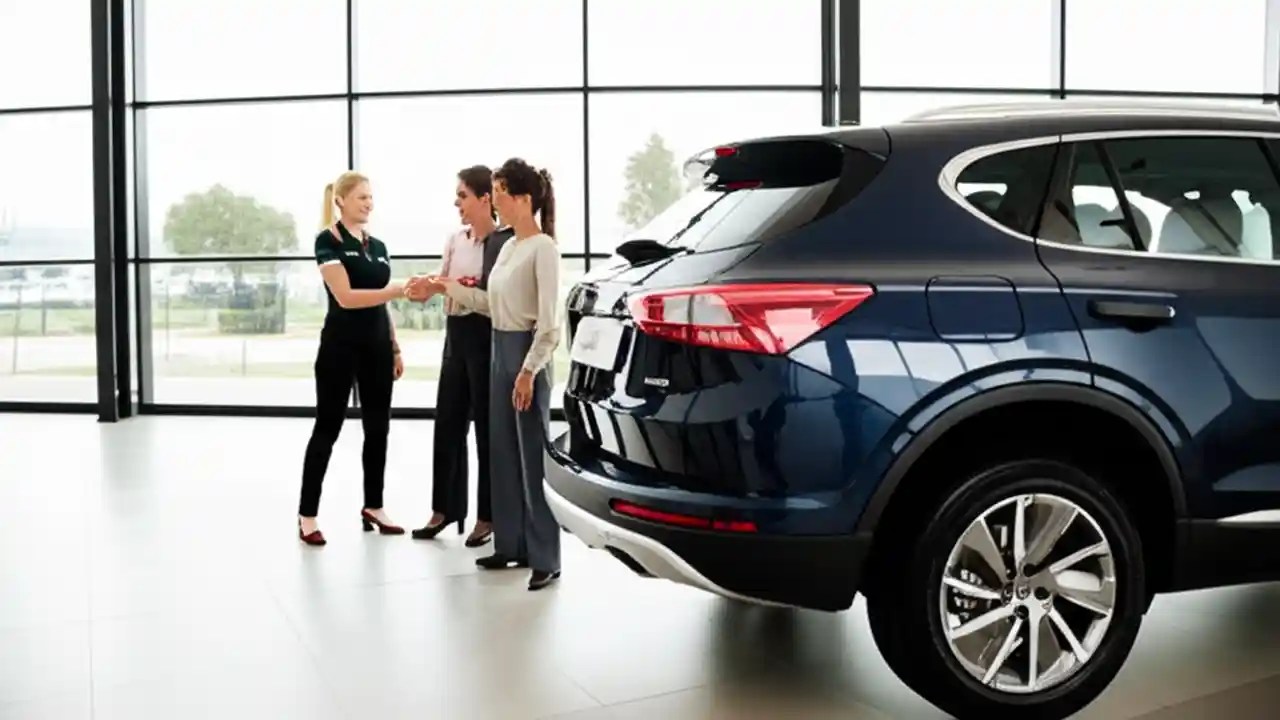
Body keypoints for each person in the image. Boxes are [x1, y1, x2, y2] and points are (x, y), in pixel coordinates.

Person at [406, 158, 562, 591]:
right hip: (498, 348)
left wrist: (529, 370)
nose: (493, 201)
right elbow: (488, 304)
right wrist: (443, 287)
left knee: (531, 457)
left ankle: (545, 557)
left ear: (523, 199)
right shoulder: (509, 247)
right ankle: (511, 546)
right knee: (502, 454)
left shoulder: (543, 249)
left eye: (499, 193)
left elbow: (550, 324)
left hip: (525, 355)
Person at [297, 171, 409, 546]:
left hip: (376, 347)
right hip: (339, 348)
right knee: (327, 429)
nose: (368, 203)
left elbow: (381, 301)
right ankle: (307, 516)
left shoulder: (377, 245)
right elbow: (346, 297)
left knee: (378, 429)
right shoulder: (327, 241)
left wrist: (393, 345)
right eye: (361, 197)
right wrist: (397, 290)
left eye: (371, 197)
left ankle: (373, 506)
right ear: (340, 200)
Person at [411, 166, 513, 546]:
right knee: (447, 425)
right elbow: (445, 281)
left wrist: (451, 286)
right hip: (455, 335)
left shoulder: (504, 243)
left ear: (485, 199)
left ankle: (487, 516)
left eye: (463, 196)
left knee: (487, 431)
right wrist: (426, 286)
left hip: (486, 337)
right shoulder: (456, 238)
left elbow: (490, 297)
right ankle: (444, 510)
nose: (457, 203)